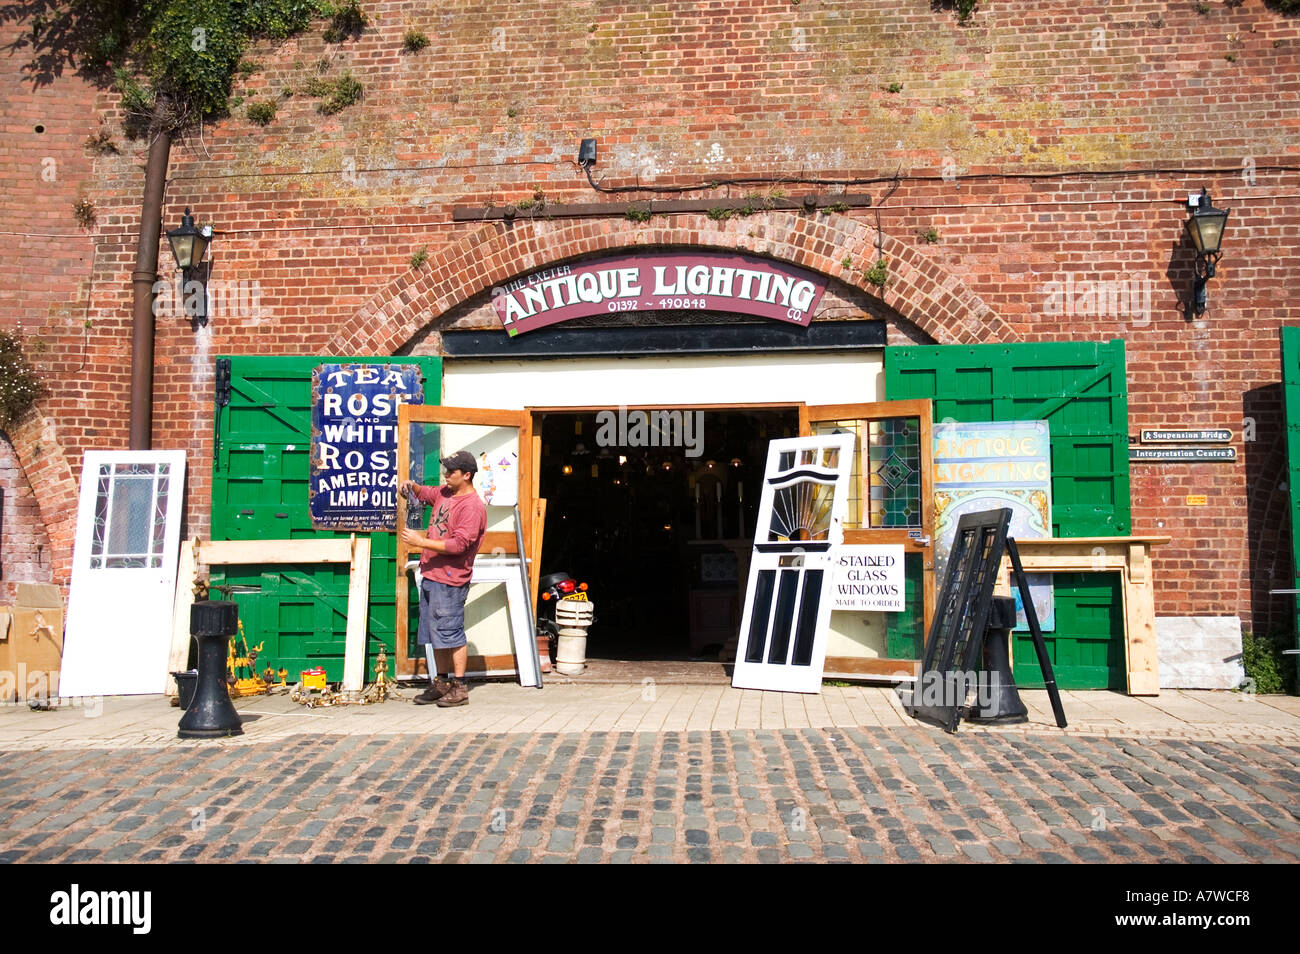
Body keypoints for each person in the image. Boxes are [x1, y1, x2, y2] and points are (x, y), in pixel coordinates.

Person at [400, 450, 487, 707]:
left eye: (452, 471)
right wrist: (412, 486)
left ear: (467, 475)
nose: (446, 475)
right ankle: (441, 683)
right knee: (435, 633)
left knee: (451, 633)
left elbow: (459, 544)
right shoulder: (445, 492)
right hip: (431, 574)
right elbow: (426, 493)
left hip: (450, 579)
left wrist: (420, 542)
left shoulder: (472, 507)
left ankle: (460, 688)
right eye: (446, 470)